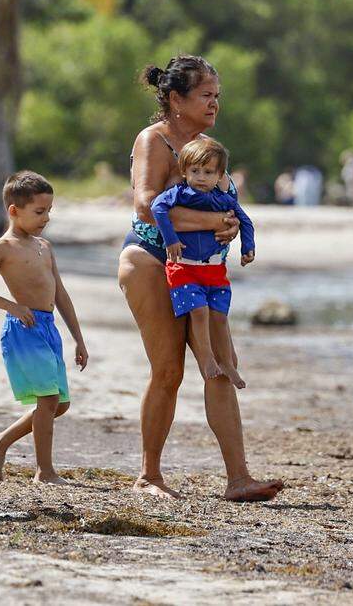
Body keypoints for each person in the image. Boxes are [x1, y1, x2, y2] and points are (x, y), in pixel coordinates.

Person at [117, 55, 282, 502]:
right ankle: (149, 476)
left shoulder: (209, 148)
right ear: (175, 99)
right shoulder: (153, 140)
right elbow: (146, 204)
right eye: (206, 95)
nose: (214, 103)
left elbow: (225, 206)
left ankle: (239, 479)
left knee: (222, 367)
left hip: (202, 268)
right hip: (150, 259)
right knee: (168, 370)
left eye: (217, 96)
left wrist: (231, 226)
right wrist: (209, 224)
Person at [0, 171, 88, 484]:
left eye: (49, 211)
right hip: (23, 329)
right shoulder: (3, 247)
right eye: (39, 211)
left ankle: (0, 441)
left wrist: (79, 339)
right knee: (47, 401)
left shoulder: (45, 246)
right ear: (14, 211)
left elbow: (60, 294)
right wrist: (12, 306)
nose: (46, 217)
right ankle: (44, 472)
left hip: (48, 328)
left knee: (59, 404)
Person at [151, 138, 253, 390]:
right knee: (200, 312)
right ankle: (207, 359)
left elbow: (246, 221)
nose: (200, 177)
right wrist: (170, 239)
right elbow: (157, 208)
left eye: (208, 172)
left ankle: (227, 362)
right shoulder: (179, 194)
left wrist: (247, 247)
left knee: (219, 316)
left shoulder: (224, 200)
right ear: (184, 171)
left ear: (220, 175)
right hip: (183, 266)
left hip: (215, 269)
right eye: (194, 171)